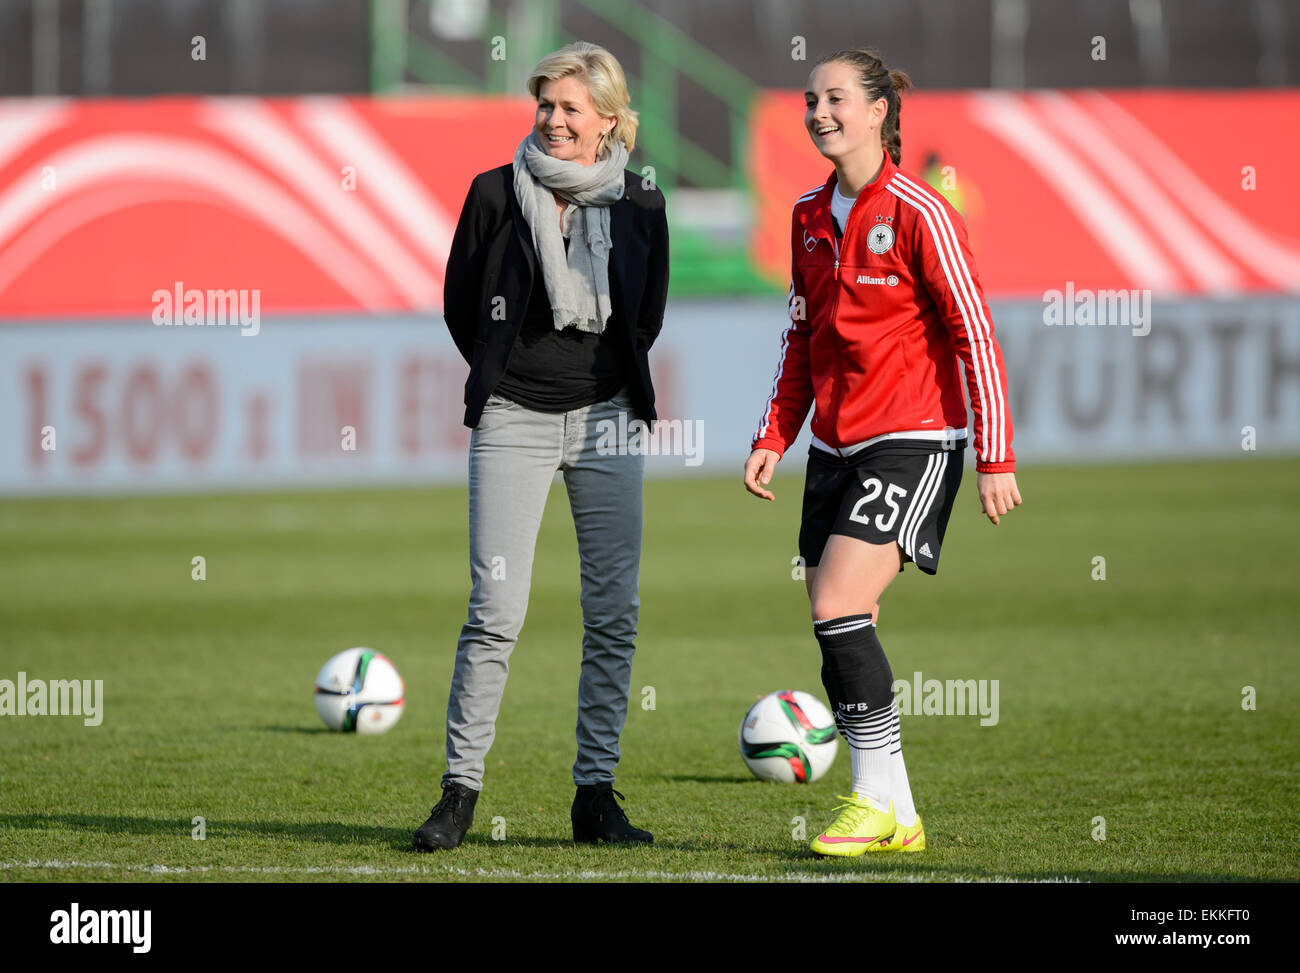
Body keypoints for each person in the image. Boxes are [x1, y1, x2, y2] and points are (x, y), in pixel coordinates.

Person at [744, 49, 1021, 857]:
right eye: (809, 98)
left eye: (835, 98)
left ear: (876, 113)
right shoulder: (804, 215)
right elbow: (801, 335)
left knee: (834, 599)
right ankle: (900, 811)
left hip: (915, 438)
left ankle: (866, 799)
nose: (819, 111)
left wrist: (995, 455)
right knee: (843, 617)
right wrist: (774, 435)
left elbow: (975, 335)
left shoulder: (921, 211)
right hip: (833, 445)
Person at [415, 41, 669, 850]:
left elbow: (645, 317)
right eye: (545, 106)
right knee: (495, 611)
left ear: (608, 121)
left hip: (608, 421)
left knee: (613, 614)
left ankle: (594, 794)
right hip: (512, 420)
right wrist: (511, 373)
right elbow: (463, 306)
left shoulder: (642, 204)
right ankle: (459, 792)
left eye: (570, 109)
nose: (553, 121)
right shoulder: (494, 193)